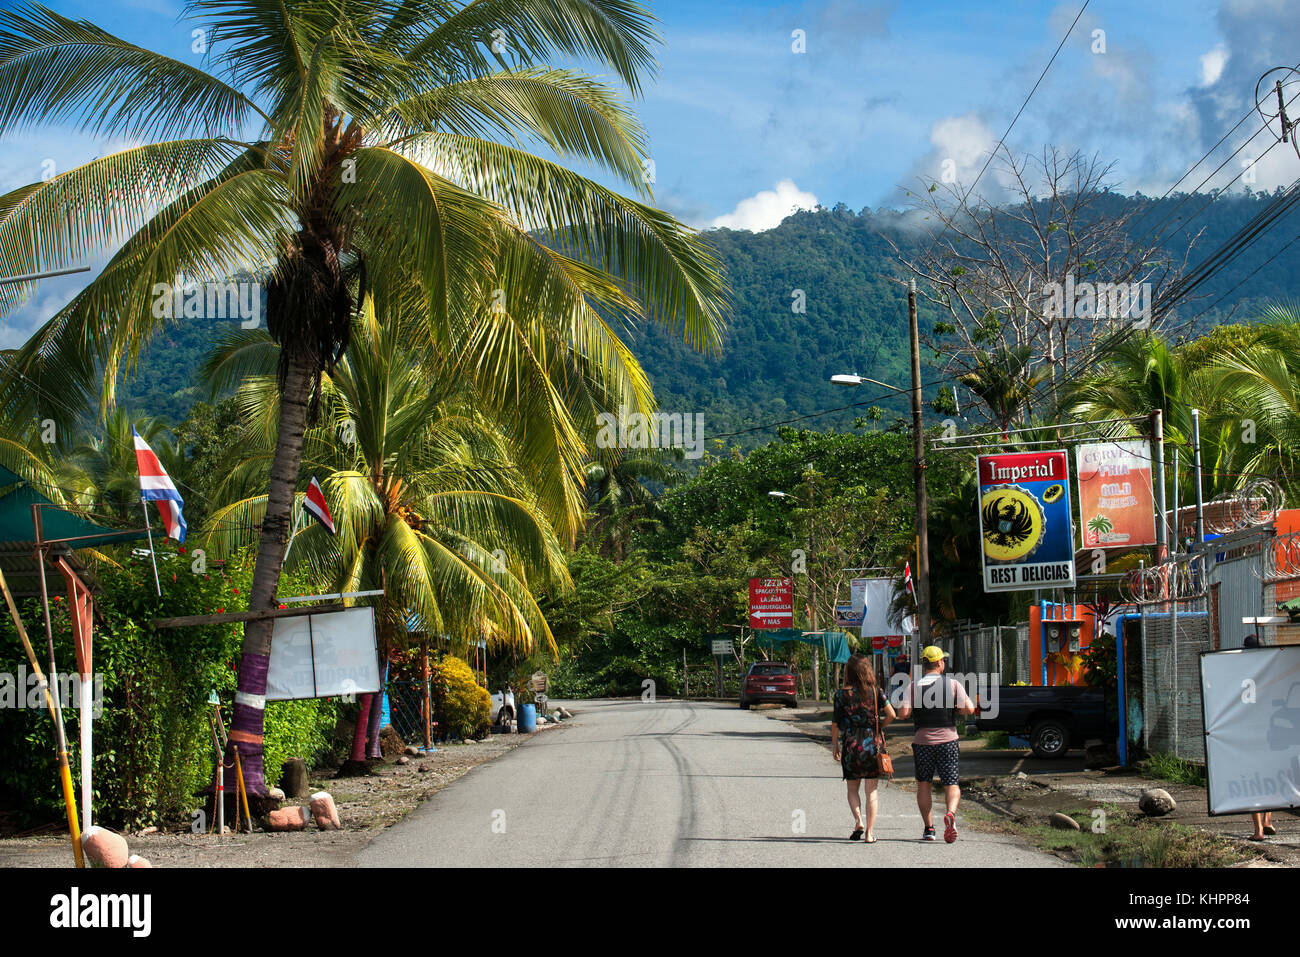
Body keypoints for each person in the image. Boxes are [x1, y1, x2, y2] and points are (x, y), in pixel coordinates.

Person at [895, 645, 976, 843]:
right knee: (951, 783)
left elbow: (903, 714)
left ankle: (929, 829)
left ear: (924, 665)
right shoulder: (953, 684)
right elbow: (970, 709)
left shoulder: (913, 687)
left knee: (924, 784)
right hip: (948, 740)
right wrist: (956, 708)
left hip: (923, 742)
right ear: (940, 663)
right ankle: (950, 814)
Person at [831, 653, 897, 843]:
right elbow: (892, 714)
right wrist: (879, 727)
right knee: (872, 791)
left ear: (849, 672)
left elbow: (835, 723)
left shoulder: (841, 694)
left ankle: (858, 820)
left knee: (852, 788)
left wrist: (835, 744)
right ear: (867, 670)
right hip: (872, 744)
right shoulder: (876, 691)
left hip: (851, 744)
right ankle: (869, 833)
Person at [1242, 634, 1277, 841]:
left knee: (1251, 780)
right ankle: (1268, 820)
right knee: (1270, 778)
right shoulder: (1271, 671)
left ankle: (1258, 831)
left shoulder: (1243, 673)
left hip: (1250, 732)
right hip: (1270, 732)